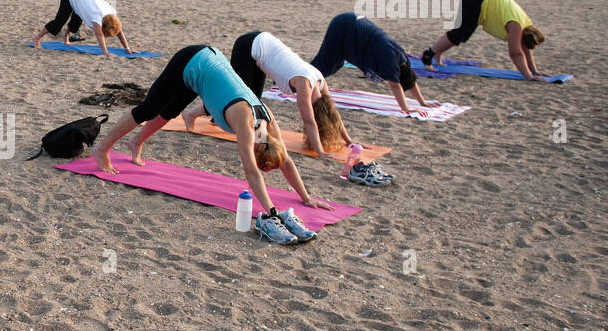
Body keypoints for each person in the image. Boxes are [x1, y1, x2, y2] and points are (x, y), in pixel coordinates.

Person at [92, 44, 333, 244]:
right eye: (264, 167)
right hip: (192, 61)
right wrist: (271, 212)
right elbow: (251, 172)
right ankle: (103, 149)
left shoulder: (268, 121)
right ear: (258, 150)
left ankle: (136, 142)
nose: (263, 171)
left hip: (209, 64)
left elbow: (287, 161)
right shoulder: (246, 124)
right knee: (149, 108)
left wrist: (305, 196)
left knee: (172, 109)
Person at [232, 29, 391, 187]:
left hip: (263, 44)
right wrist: (320, 151)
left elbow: (332, 115)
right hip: (248, 46)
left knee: (254, 101)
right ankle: (212, 113)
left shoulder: (320, 81)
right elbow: (310, 123)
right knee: (239, 100)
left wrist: (349, 141)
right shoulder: (304, 85)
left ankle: (238, 127)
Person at [420, 0, 549, 80]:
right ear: (523, 38)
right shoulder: (516, 25)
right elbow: (516, 53)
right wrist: (529, 76)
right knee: (461, 32)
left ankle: (436, 53)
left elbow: (525, 50)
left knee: (463, 33)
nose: (523, 47)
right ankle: (428, 55)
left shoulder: (527, 27)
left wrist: (534, 71)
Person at [310, 13, 431, 117]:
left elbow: (410, 82)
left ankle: (305, 79)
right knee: (327, 63)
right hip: (344, 27)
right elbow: (395, 86)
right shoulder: (391, 64)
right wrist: (406, 109)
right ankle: (302, 81)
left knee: (334, 63)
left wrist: (422, 103)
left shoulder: (404, 61)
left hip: (354, 23)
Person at [30, 0, 133, 55]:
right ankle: (37, 38)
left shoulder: (112, 13)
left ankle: (66, 37)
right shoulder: (96, 16)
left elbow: (119, 31)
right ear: (102, 26)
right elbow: (99, 35)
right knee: (59, 22)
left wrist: (127, 49)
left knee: (76, 21)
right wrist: (106, 53)